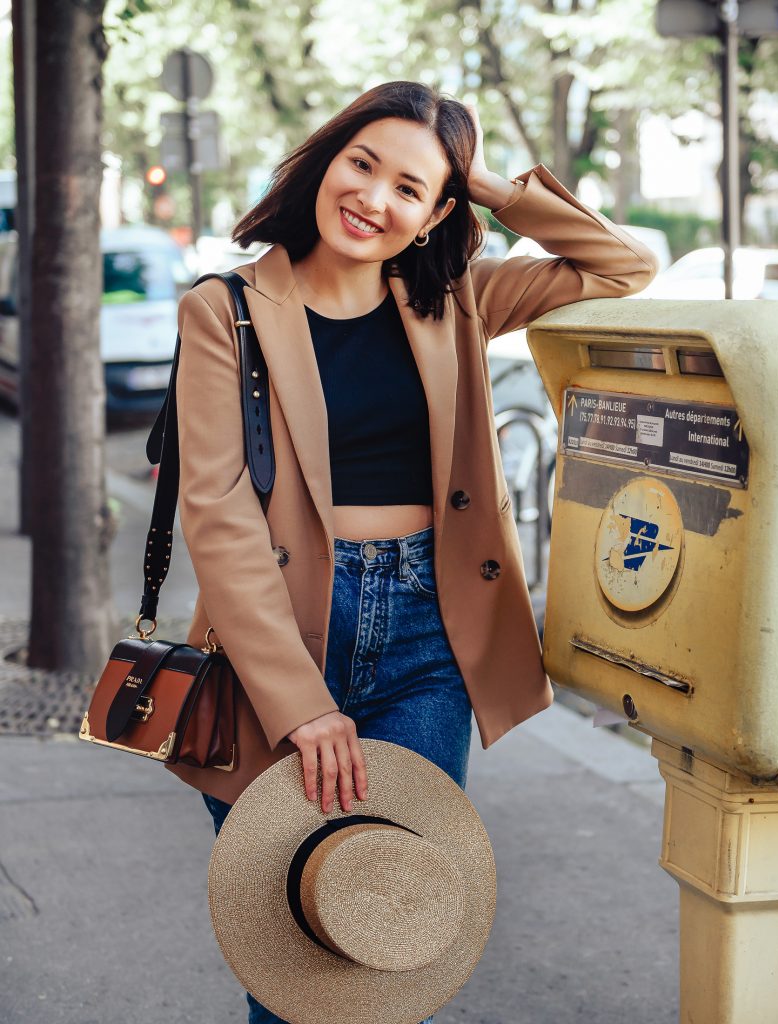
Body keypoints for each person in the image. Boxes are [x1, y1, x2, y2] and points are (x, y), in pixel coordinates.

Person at [169, 80, 659, 1024]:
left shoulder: (459, 300)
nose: (373, 199)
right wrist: (300, 707)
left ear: (437, 210)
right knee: (296, 950)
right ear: (324, 159)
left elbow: (620, 266)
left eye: (409, 187)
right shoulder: (225, 309)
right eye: (361, 163)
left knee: (390, 934)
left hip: (425, 646)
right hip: (275, 644)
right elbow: (220, 516)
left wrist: (483, 180)